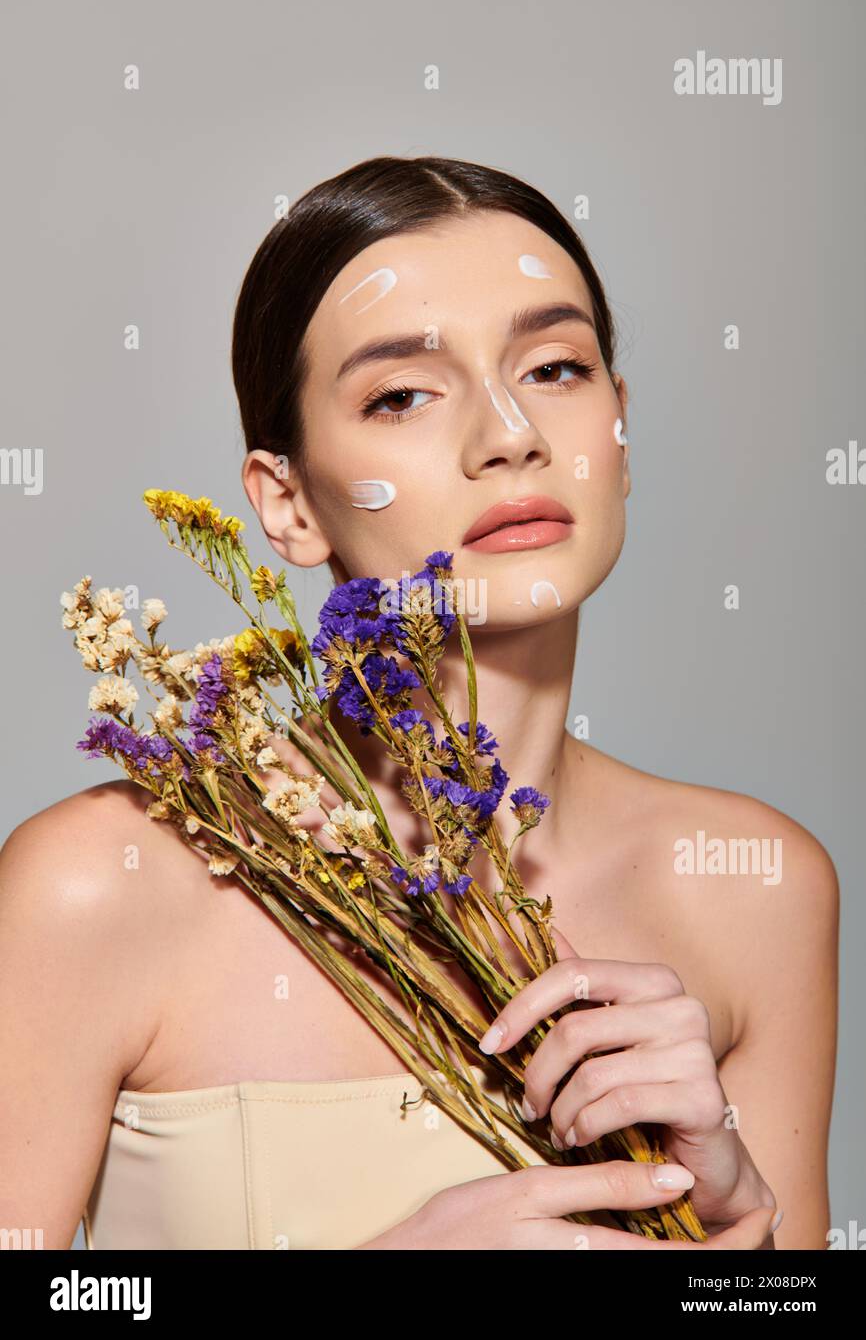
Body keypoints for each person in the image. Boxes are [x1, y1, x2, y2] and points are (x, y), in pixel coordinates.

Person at [0, 156, 837, 1251]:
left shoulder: (756, 887)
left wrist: (738, 1234)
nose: (507, 435)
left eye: (552, 367)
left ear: (617, 433)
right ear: (288, 503)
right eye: (401, 394)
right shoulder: (99, 885)